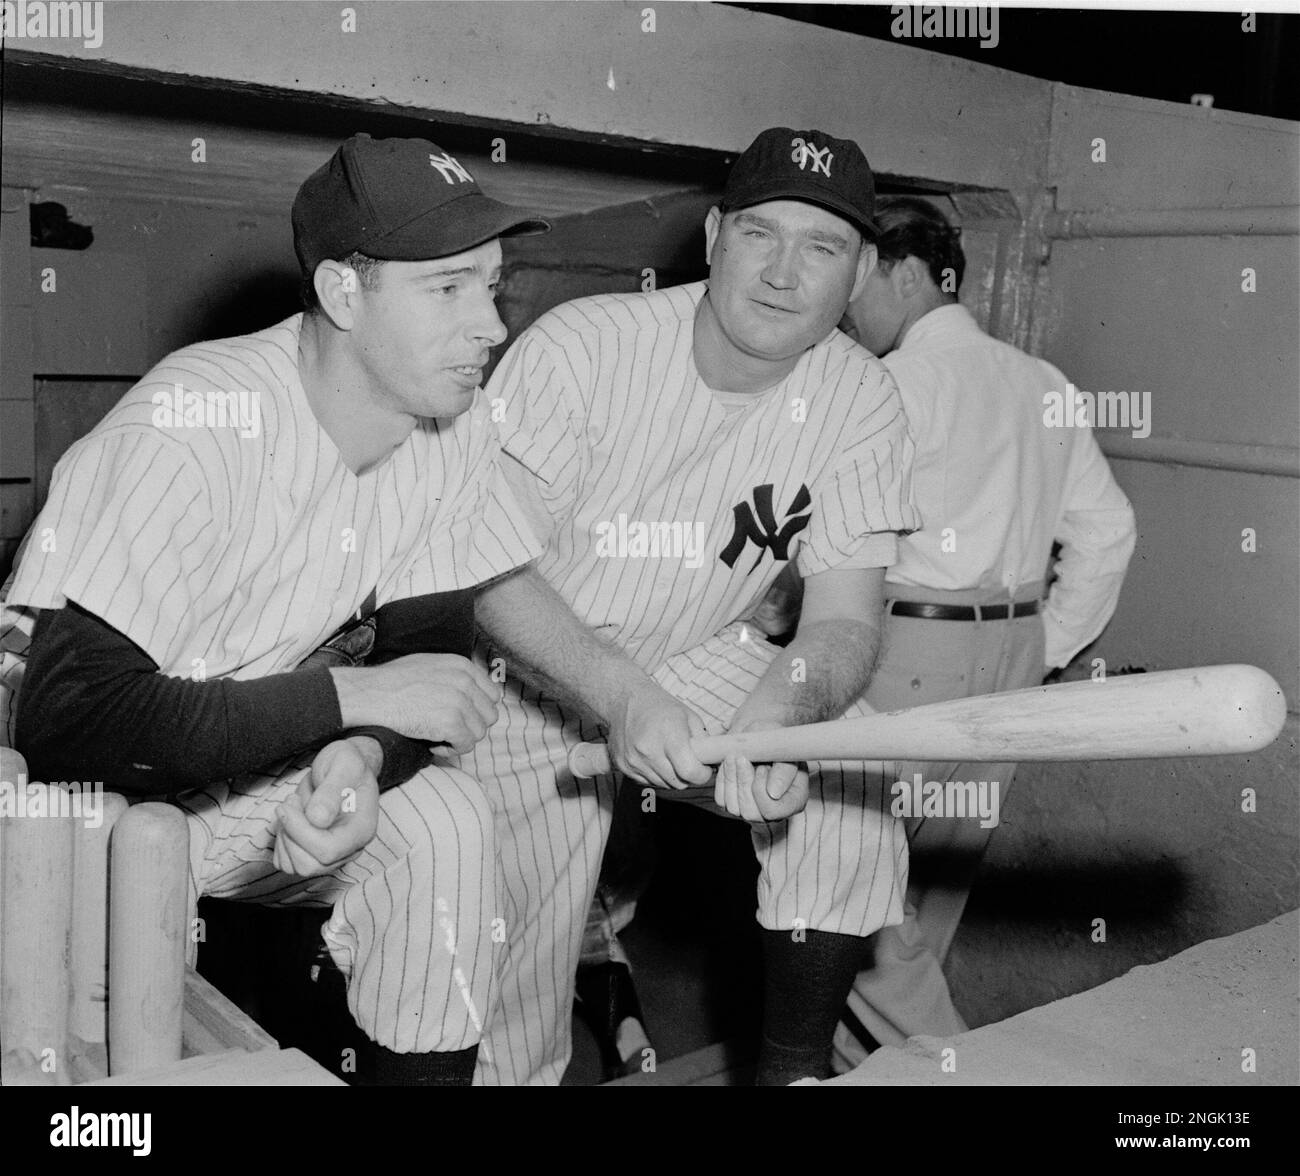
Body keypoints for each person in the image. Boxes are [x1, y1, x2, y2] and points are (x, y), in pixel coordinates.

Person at [0, 133, 549, 1086]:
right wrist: (349, 701)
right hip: (48, 801)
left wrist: (361, 755)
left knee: (446, 819)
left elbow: (427, 673)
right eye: (449, 289)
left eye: (492, 287)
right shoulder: (193, 428)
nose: (492, 327)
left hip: (212, 768)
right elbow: (70, 720)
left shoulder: (451, 427)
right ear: (342, 294)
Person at [467, 127, 922, 1085]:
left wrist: (783, 714)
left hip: (693, 651)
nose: (784, 272)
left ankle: (788, 1073)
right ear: (714, 234)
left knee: (854, 774)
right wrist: (617, 692)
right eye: (760, 233)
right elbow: (482, 568)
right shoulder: (586, 346)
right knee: (516, 1000)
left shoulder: (864, 398)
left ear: (864, 270)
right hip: (521, 672)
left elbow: (841, 621)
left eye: (824, 247)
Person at [827, 195, 1137, 1068]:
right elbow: (1108, 532)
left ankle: (968, 1072)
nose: (846, 307)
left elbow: (826, 542)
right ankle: (886, 1069)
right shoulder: (1041, 380)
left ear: (909, 273)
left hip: (906, 654)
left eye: (857, 280)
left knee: (844, 890)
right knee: (922, 907)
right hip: (1009, 657)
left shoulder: (886, 384)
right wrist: (1044, 649)